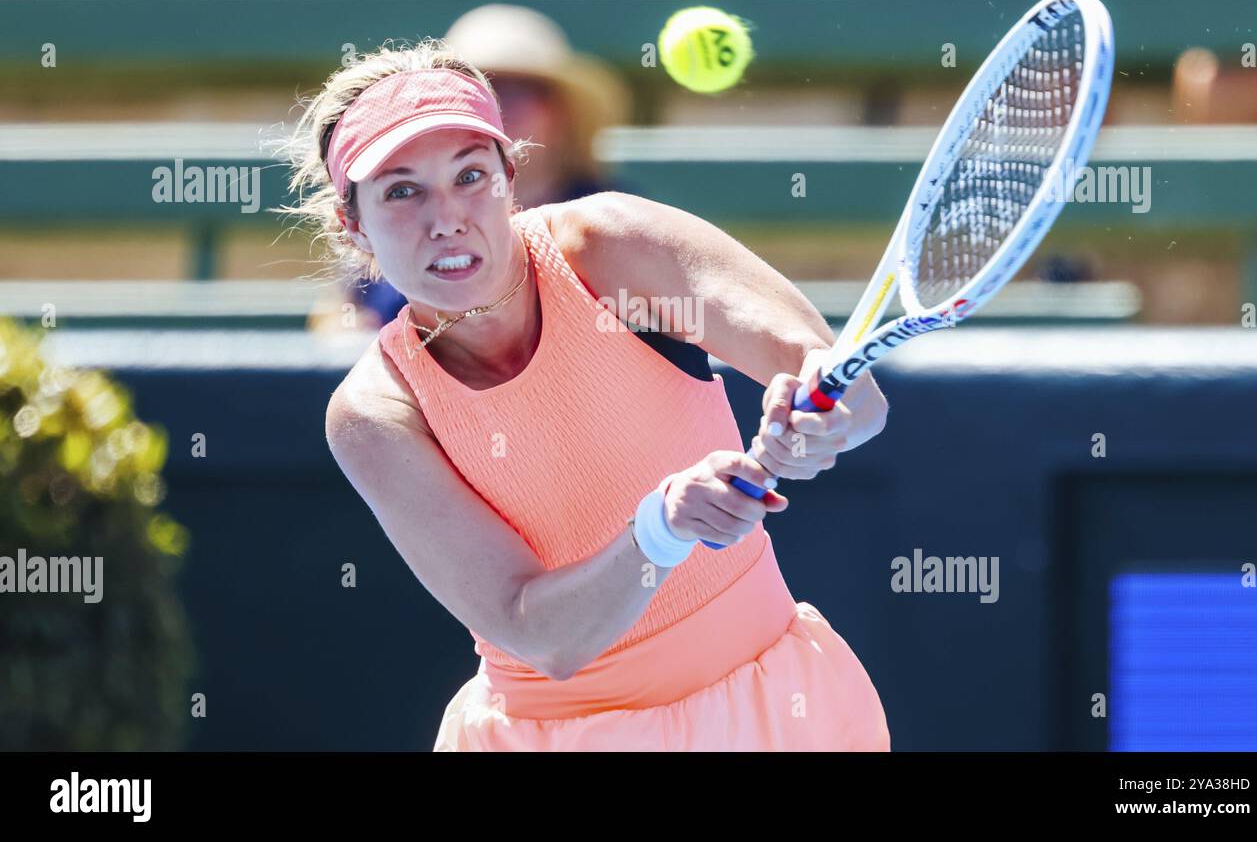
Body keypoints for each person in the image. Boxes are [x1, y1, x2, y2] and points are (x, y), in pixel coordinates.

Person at [276, 39, 891, 751]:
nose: (445, 216)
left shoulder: (615, 245)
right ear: (353, 220)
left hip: (779, 714)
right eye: (402, 190)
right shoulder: (375, 412)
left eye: (470, 175)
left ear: (511, 176)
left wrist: (815, 421)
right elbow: (542, 634)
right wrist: (663, 525)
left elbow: (857, 397)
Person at [345, 5, 631, 328]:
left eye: (520, 88)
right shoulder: (393, 224)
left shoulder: (614, 218)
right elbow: (342, 317)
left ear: (559, 109)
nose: (496, 103)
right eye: (480, 89)